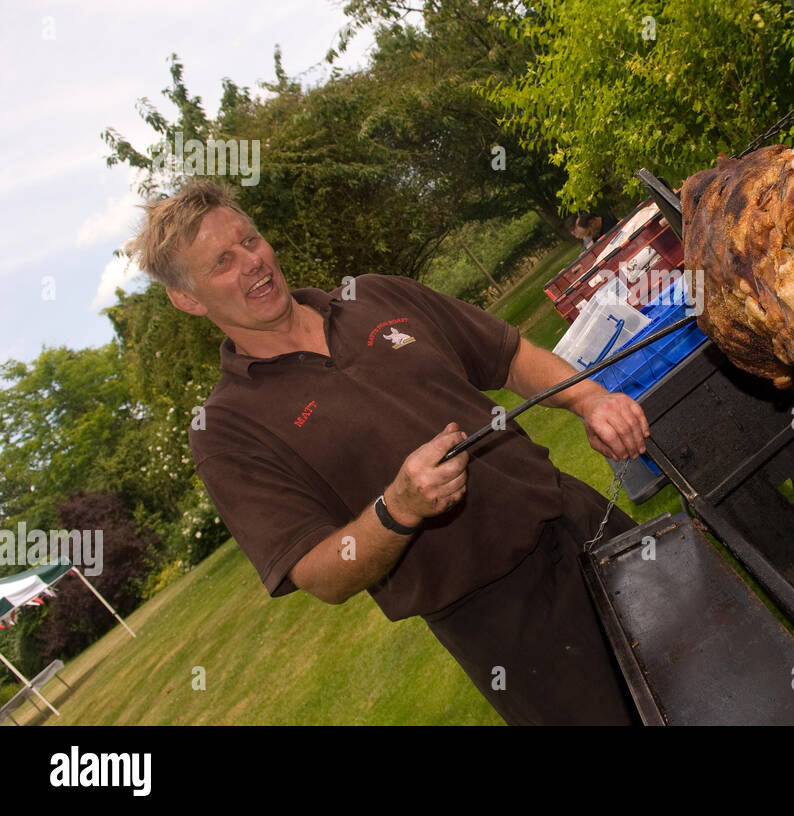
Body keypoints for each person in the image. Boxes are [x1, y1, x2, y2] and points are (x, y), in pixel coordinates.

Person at [123, 179, 651, 725]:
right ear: (187, 298)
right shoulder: (227, 429)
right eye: (222, 262)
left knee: (711, 663)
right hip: (500, 619)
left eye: (251, 241)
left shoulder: (373, 296)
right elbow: (317, 573)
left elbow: (508, 354)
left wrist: (589, 399)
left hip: (577, 518)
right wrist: (395, 510)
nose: (253, 263)